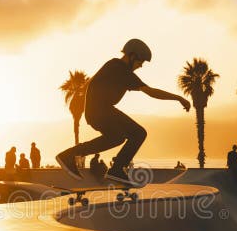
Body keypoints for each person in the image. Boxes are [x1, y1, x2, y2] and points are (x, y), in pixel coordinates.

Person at [56, 39, 190, 185]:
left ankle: (76, 156)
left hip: (99, 110)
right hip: (100, 111)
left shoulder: (114, 66)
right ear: (132, 56)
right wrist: (178, 98)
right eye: (140, 61)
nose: (141, 66)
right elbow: (151, 92)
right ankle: (114, 168)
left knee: (117, 137)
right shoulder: (120, 69)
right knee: (138, 133)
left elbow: (92, 82)